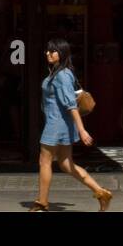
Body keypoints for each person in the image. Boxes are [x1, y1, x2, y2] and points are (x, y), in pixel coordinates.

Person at [29, 39, 113, 212]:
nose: (47, 53)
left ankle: (42, 202)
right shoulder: (57, 73)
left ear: (61, 54)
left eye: (52, 51)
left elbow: (71, 105)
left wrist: (82, 130)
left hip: (56, 125)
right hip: (59, 124)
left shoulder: (62, 75)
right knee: (67, 165)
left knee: (44, 161)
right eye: (47, 50)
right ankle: (101, 192)